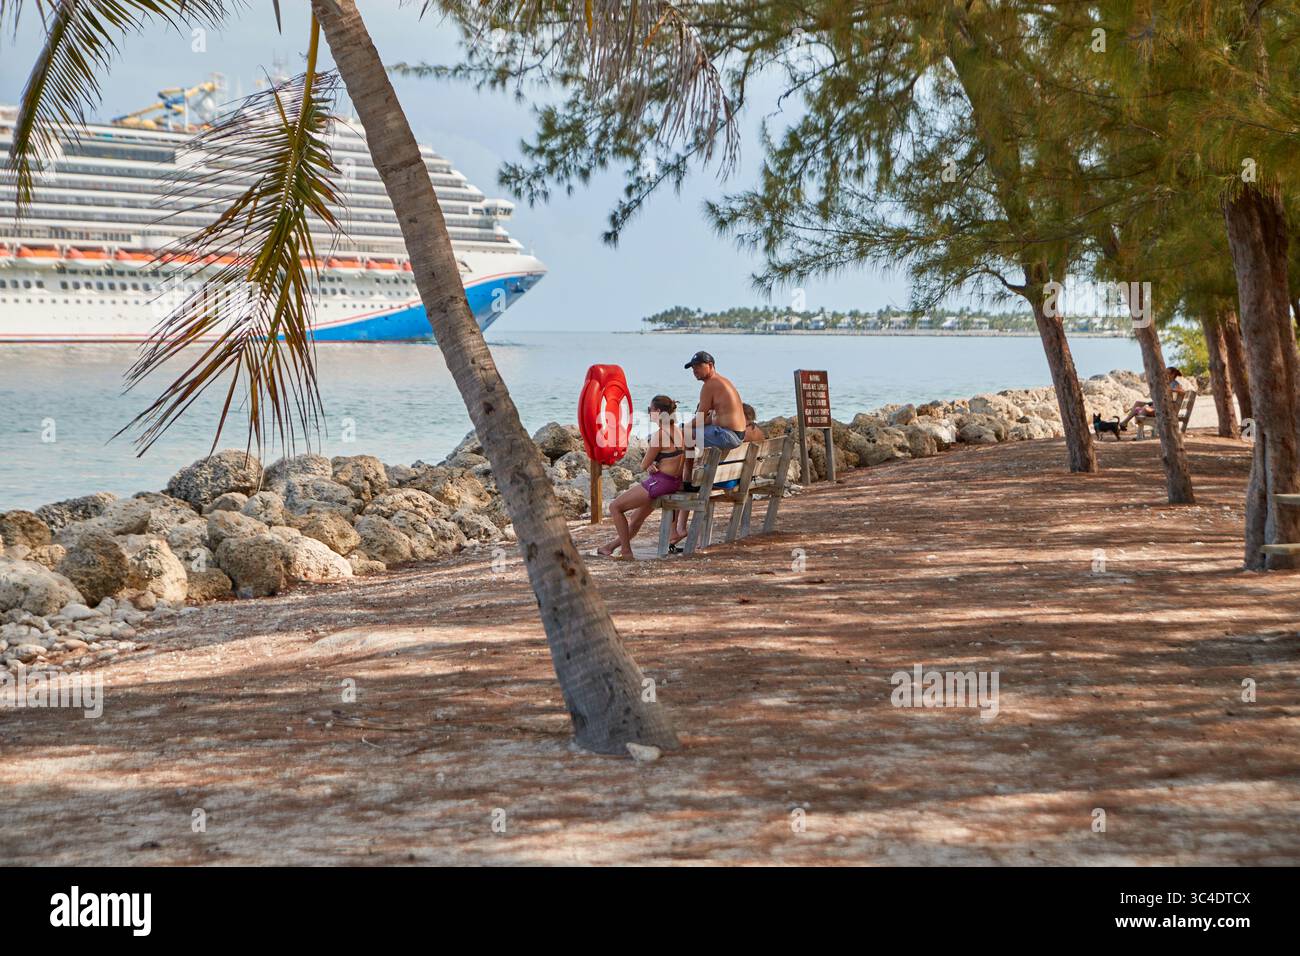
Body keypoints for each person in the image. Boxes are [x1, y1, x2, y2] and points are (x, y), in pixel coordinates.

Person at [671, 351, 747, 547]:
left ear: (711, 365)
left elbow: (699, 418)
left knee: (686, 436)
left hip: (727, 435)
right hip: (734, 434)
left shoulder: (710, 385)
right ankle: (687, 475)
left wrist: (683, 429)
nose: (694, 371)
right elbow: (706, 418)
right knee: (689, 434)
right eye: (693, 368)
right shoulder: (722, 382)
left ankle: (686, 479)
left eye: (698, 366)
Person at [597, 395, 685, 559]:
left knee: (615, 507)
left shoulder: (660, 435)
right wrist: (657, 464)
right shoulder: (679, 431)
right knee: (635, 518)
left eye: (649, 410)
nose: (648, 413)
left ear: (658, 412)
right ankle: (609, 547)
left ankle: (626, 552)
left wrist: (650, 465)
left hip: (661, 483)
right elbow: (673, 458)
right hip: (673, 481)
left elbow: (644, 464)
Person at [1119, 366, 1197, 427]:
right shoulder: (1168, 383)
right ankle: (1125, 422)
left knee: (1143, 408)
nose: (1165, 374)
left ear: (1172, 374)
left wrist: (1172, 390)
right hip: (1161, 405)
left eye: (1167, 373)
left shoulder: (1174, 384)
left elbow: (1182, 391)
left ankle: (1138, 415)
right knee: (1138, 403)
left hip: (1165, 410)